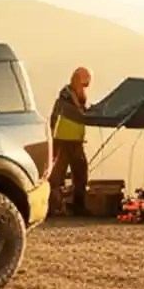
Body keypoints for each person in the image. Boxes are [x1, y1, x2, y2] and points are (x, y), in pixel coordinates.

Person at [50, 67, 92, 215]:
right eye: (85, 82)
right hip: (63, 140)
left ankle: (78, 206)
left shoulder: (78, 96)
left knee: (81, 173)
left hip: (76, 141)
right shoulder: (66, 96)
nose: (86, 86)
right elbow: (71, 113)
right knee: (57, 175)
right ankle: (52, 207)